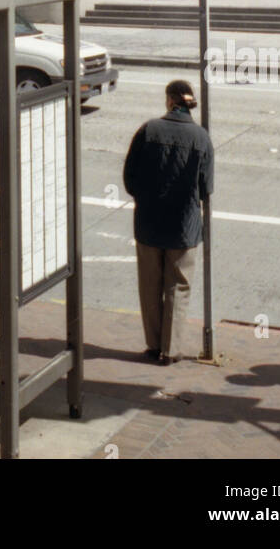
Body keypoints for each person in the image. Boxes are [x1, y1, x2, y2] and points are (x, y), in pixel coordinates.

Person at [122, 79, 214, 366]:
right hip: (184, 227)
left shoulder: (148, 130)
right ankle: (170, 350)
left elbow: (130, 178)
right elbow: (206, 187)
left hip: (148, 222)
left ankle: (152, 344)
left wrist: (148, 197)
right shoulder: (201, 138)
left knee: (149, 284)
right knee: (179, 285)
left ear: (169, 100)